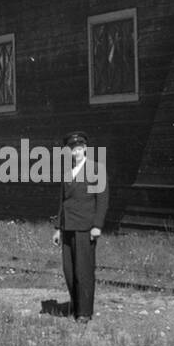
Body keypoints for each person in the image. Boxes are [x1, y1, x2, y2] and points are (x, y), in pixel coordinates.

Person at [52, 131, 108, 323]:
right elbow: (63, 202)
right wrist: (58, 228)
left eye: (78, 148)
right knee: (69, 270)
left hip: (85, 228)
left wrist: (97, 226)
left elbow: (102, 200)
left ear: (84, 149)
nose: (75, 152)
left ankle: (84, 312)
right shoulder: (67, 173)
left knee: (83, 270)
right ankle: (76, 306)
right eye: (71, 150)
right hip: (67, 227)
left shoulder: (96, 170)